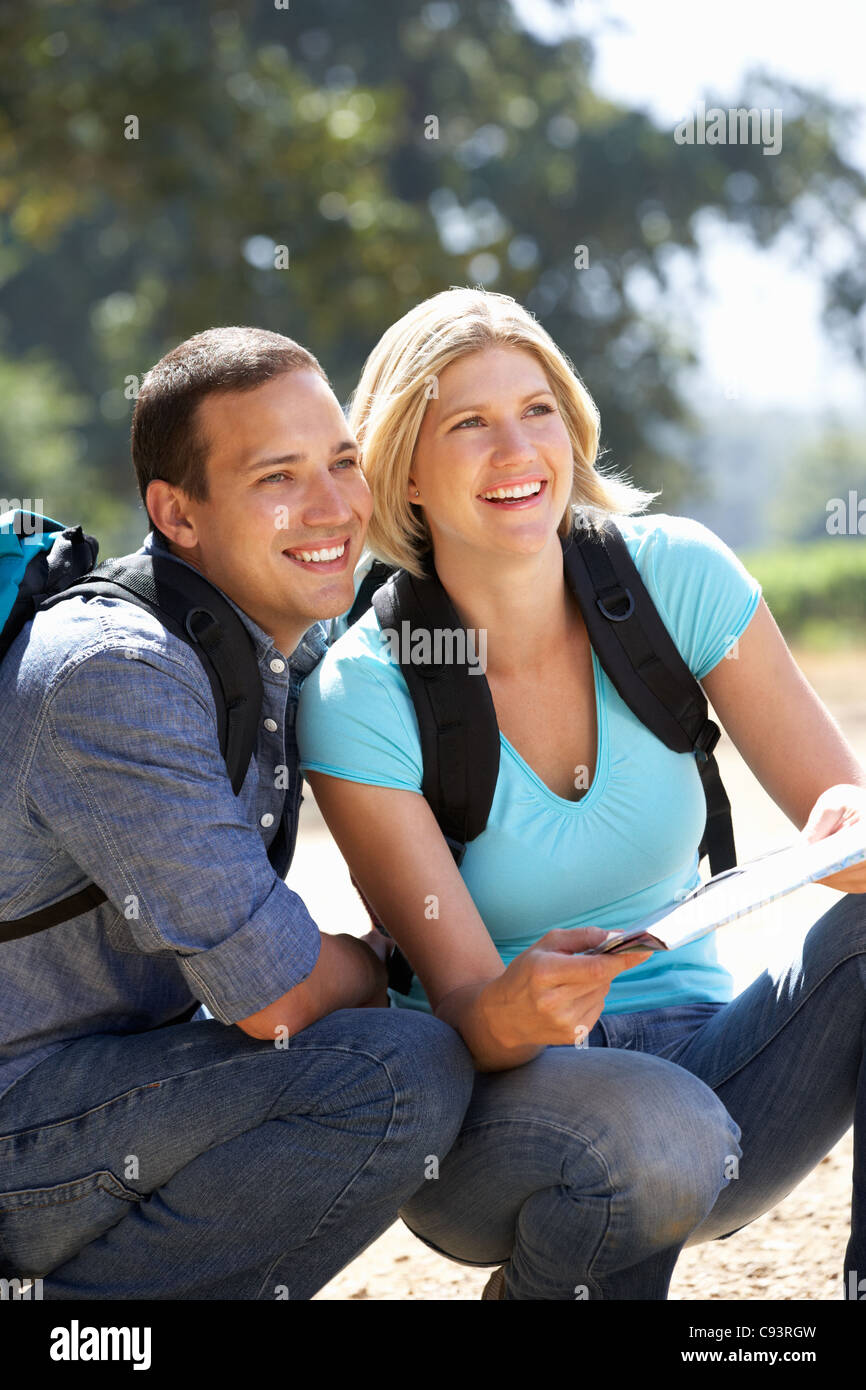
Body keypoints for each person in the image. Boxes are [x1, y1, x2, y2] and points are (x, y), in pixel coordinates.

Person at [296, 288, 866, 1300]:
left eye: (537, 409)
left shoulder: (676, 576)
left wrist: (849, 837)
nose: (516, 450)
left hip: (710, 1063)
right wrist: (519, 1009)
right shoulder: (361, 692)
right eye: (468, 422)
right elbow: (467, 1012)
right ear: (405, 471)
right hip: (496, 1106)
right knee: (656, 1133)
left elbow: (845, 815)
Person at [0, 326, 475, 1301]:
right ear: (176, 511)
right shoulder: (117, 672)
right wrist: (388, 962)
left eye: (342, 463)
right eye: (277, 478)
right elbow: (275, 994)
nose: (334, 506)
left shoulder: (250, 645)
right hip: (21, 1111)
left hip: (90, 1086)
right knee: (394, 1073)